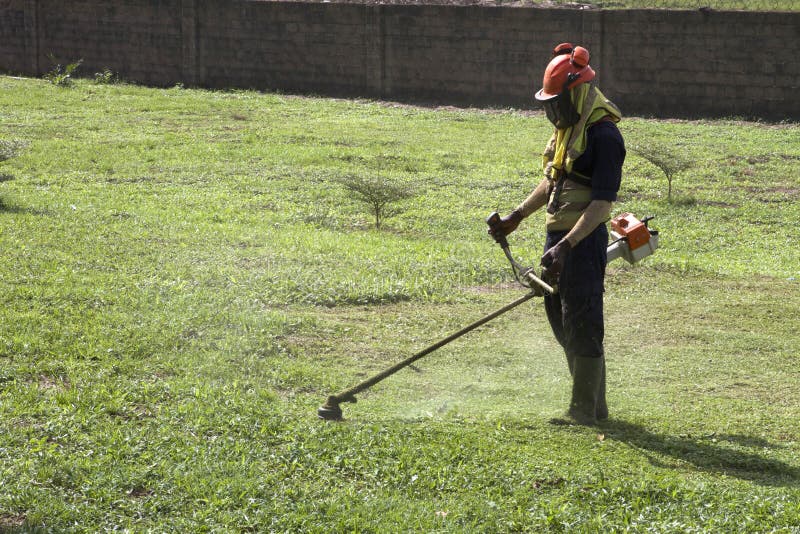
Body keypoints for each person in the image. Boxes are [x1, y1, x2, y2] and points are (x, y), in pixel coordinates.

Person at [488, 43, 625, 425]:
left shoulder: (605, 136)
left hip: (582, 241)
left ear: (578, 91)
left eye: (556, 102)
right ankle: (595, 406)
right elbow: (551, 182)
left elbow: (601, 206)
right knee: (560, 316)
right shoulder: (567, 132)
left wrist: (567, 245)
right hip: (558, 242)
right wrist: (516, 217)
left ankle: (584, 410)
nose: (551, 110)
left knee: (582, 318)